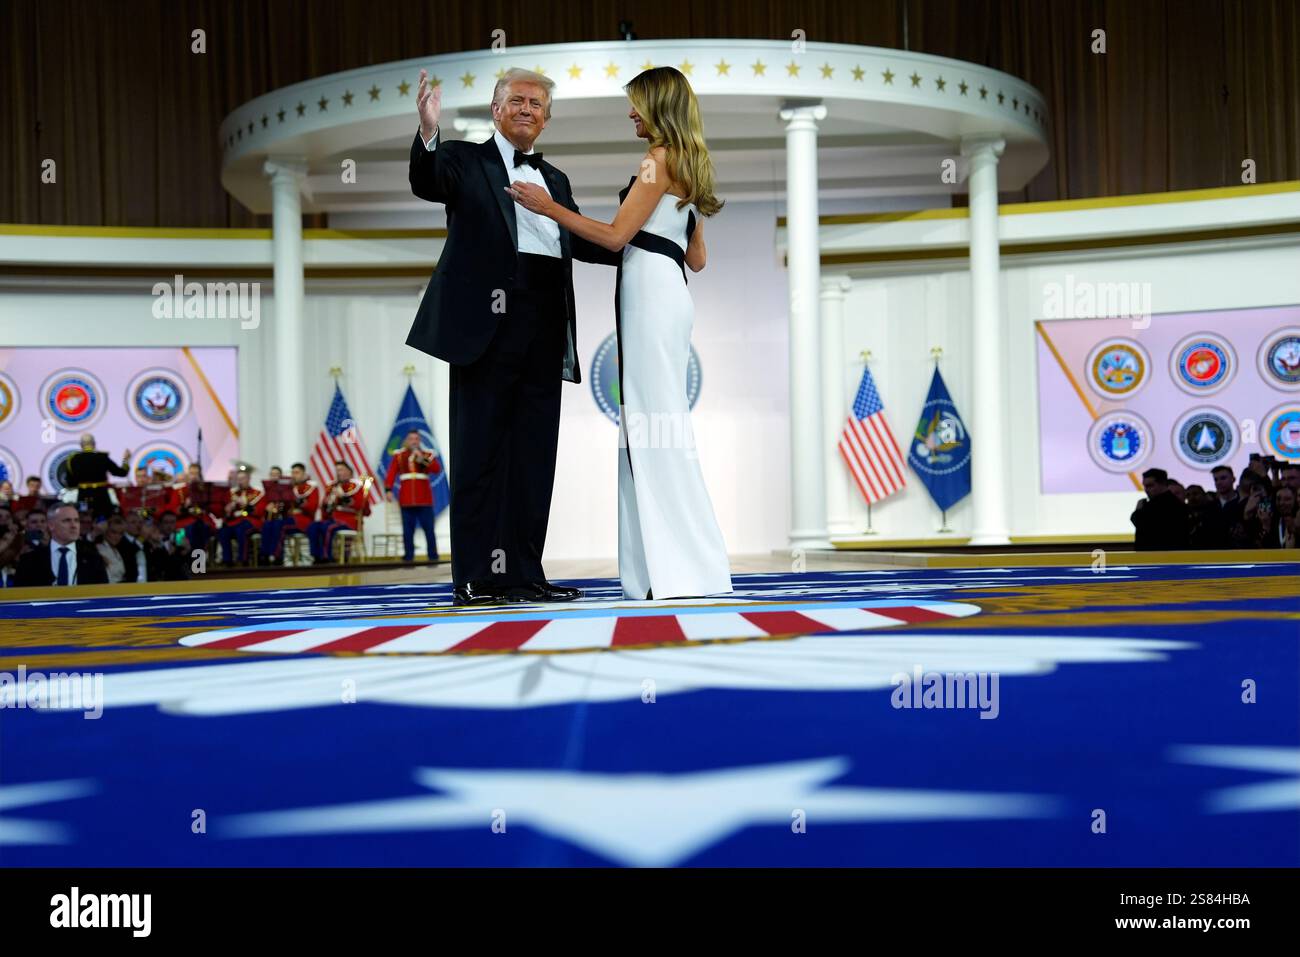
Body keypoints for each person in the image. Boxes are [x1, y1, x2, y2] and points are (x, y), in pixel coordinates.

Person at [508, 66, 733, 600]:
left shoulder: (657, 161)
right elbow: (697, 260)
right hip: (671, 292)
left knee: (651, 427)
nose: (631, 113)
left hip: (650, 298)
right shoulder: (690, 164)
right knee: (658, 427)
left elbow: (614, 238)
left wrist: (549, 208)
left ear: (656, 106)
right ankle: (669, 569)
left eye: (636, 104)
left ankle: (681, 571)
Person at [405, 66, 622, 606]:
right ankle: (476, 578)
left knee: (532, 455)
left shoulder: (558, 180)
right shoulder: (462, 159)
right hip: (486, 325)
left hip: (547, 323)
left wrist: (644, 243)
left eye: (537, 104)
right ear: (496, 109)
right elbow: (427, 180)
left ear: (546, 119)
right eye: (518, 100)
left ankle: (523, 574)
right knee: (480, 453)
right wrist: (429, 131)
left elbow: (587, 241)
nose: (528, 109)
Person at [14, 503, 109, 586]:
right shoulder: (28, 561)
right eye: (67, 521)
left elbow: (103, 594)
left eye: (76, 520)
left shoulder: (94, 559)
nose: (74, 526)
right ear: (51, 525)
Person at [384, 430, 441, 563]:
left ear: (419, 441)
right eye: (411, 439)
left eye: (416, 439)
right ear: (406, 441)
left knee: (429, 529)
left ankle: (433, 556)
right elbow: (391, 473)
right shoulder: (399, 455)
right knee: (408, 530)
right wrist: (388, 489)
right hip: (407, 499)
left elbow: (436, 469)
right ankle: (409, 556)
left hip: (424, 499)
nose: (414, 441)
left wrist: (421, 458)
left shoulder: (428, 454)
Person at [307, 461, 370, 562]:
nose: (338, 473)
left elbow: (362, 507)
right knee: (313, 526)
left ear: (349, 472)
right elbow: (325, 508)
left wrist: (343, 497)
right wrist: (326, 503)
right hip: (333, 519)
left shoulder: (357, 486)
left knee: (327, 528)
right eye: (337, 470)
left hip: (349, 520)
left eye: (341, 470)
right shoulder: (333, 486)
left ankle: (326, 558)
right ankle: (316, 556)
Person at [65, 434, 131, 520]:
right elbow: (121, 473)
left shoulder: (72, 459)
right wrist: (126, 460)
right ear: (94, 444)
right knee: (104, 520)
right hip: (101, 495)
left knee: (84, 519)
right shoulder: (102, 457)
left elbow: (70, 483)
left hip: (83, 495)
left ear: (81, 445)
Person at [1131, 467, 1189, 550]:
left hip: (1159, 557)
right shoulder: (1173, 503)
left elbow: (1144, 526)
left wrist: (1138, 512)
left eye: (1150, 486)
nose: (1146, 490)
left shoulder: (1168, 505)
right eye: (1145, 486)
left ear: (1162, 483)